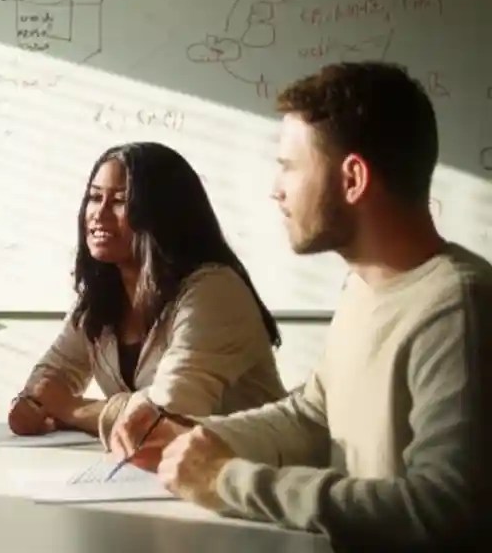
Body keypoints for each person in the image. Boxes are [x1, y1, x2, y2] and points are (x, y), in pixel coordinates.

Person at [138, 62, 491, 550]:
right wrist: (191, 434)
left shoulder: (457, 307)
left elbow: (444, 510)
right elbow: (313, 415)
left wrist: (225, 480)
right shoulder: (362, 287)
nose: (276, 189)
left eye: (289, 166)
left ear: (353, 179)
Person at [9, 142, 285, 456]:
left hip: (251, 471)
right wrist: (30, 405)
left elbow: (169, 415)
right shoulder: (100, 295)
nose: (99, 214)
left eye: (120, 201)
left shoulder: (214, 290)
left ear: (162, 214)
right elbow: (49, 380)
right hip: (168, 472)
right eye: (95, 197)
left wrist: (71, 410)